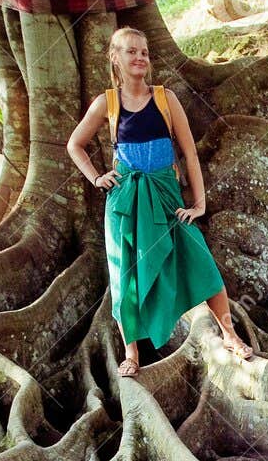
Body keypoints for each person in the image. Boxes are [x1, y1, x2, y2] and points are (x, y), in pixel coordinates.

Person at [66, 26, 254, 377]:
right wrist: (97, 177)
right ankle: (132, 354)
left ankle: (229, 334)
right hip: (126, 202)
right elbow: (74, 144)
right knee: (126, 276)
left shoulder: (165, 99)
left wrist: (199, 204)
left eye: (144, 52)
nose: (140, 57)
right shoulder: (106, 103)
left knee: (201, 262)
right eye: (131, 51)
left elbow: (189, 153)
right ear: (115, 57)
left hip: (167, 197)